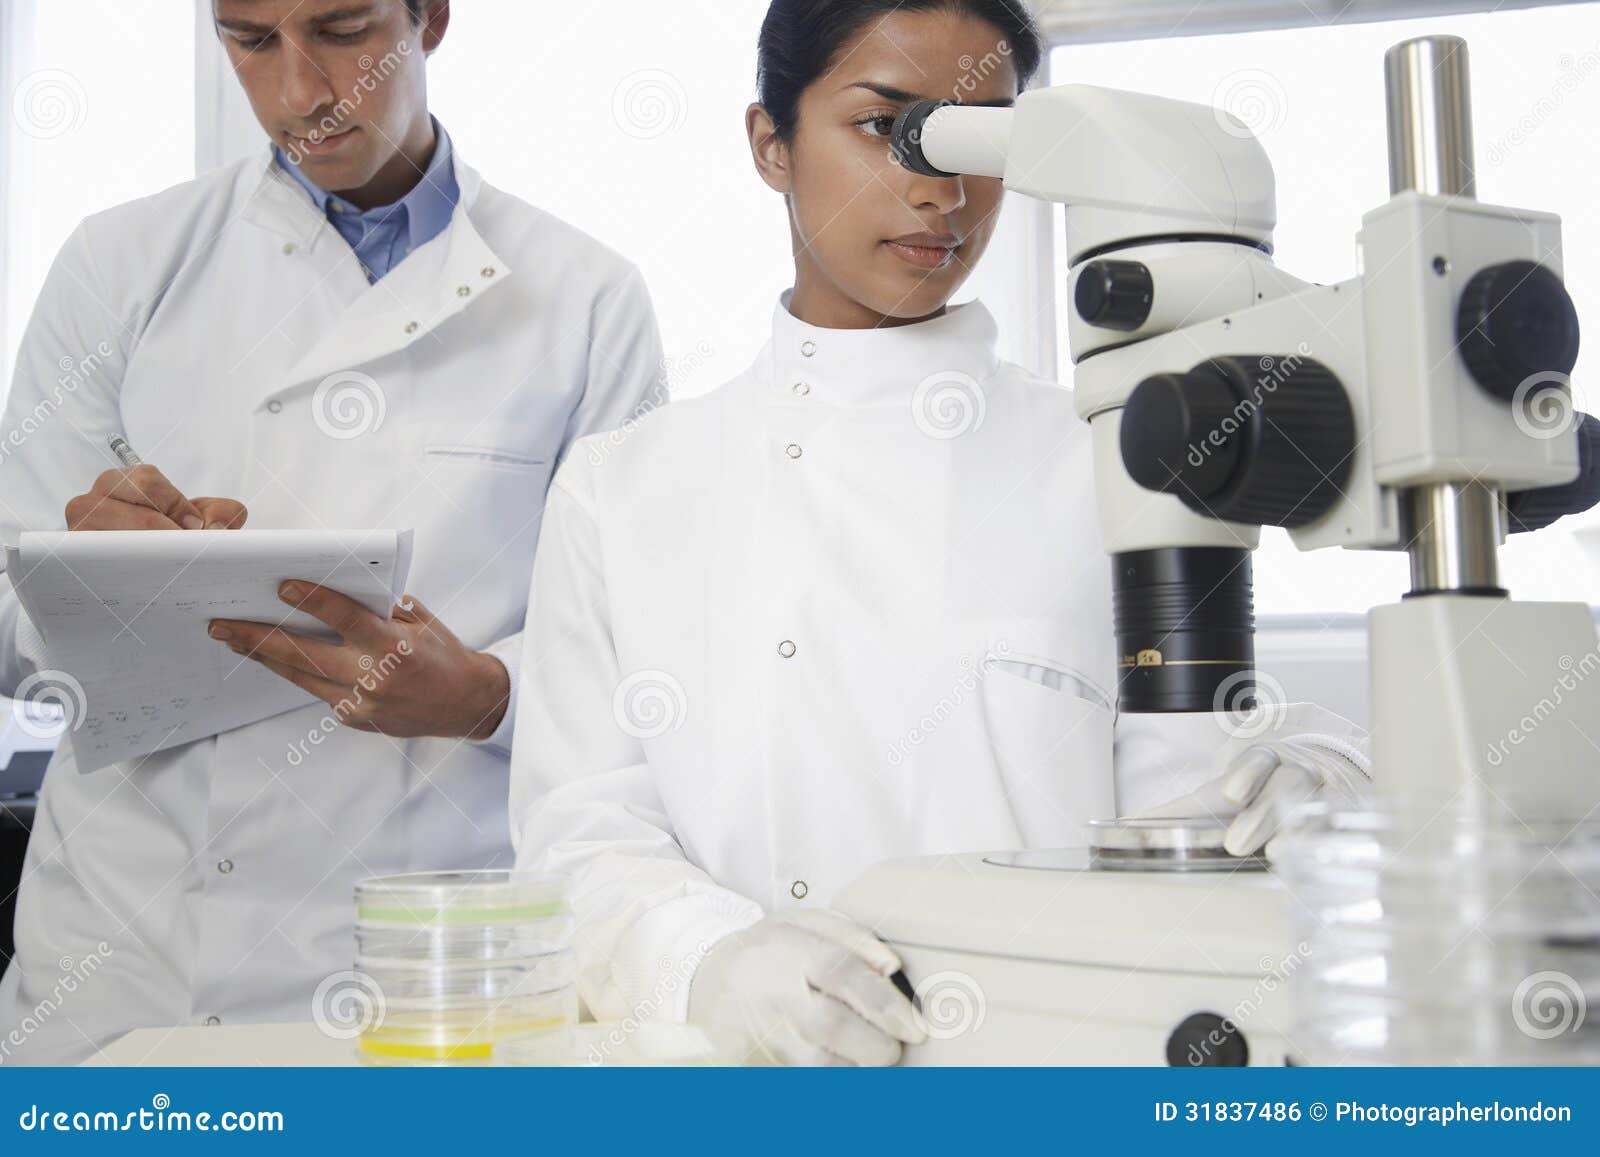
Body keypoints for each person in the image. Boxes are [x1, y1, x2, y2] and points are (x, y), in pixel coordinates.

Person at [509, 0, 1367, 1066]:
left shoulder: (1114, 456)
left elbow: (1192, 809)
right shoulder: (622, 489)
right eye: (887, 127)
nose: (941, 189)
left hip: (1054, 1075)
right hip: (740, 1084)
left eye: (979, 138)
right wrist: (710, 960)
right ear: (771, 144)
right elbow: (580, 840)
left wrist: (1326, 786)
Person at [0, 0, 661, 1064]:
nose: (301, 92)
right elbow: (13, 625)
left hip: (426, 969)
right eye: (250, 40)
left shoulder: (586, 302)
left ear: (430, 17)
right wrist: (88, 580)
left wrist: (487, 695)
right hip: (131, 964)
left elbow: (637, 657)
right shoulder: (117, 265)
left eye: (345, 31)